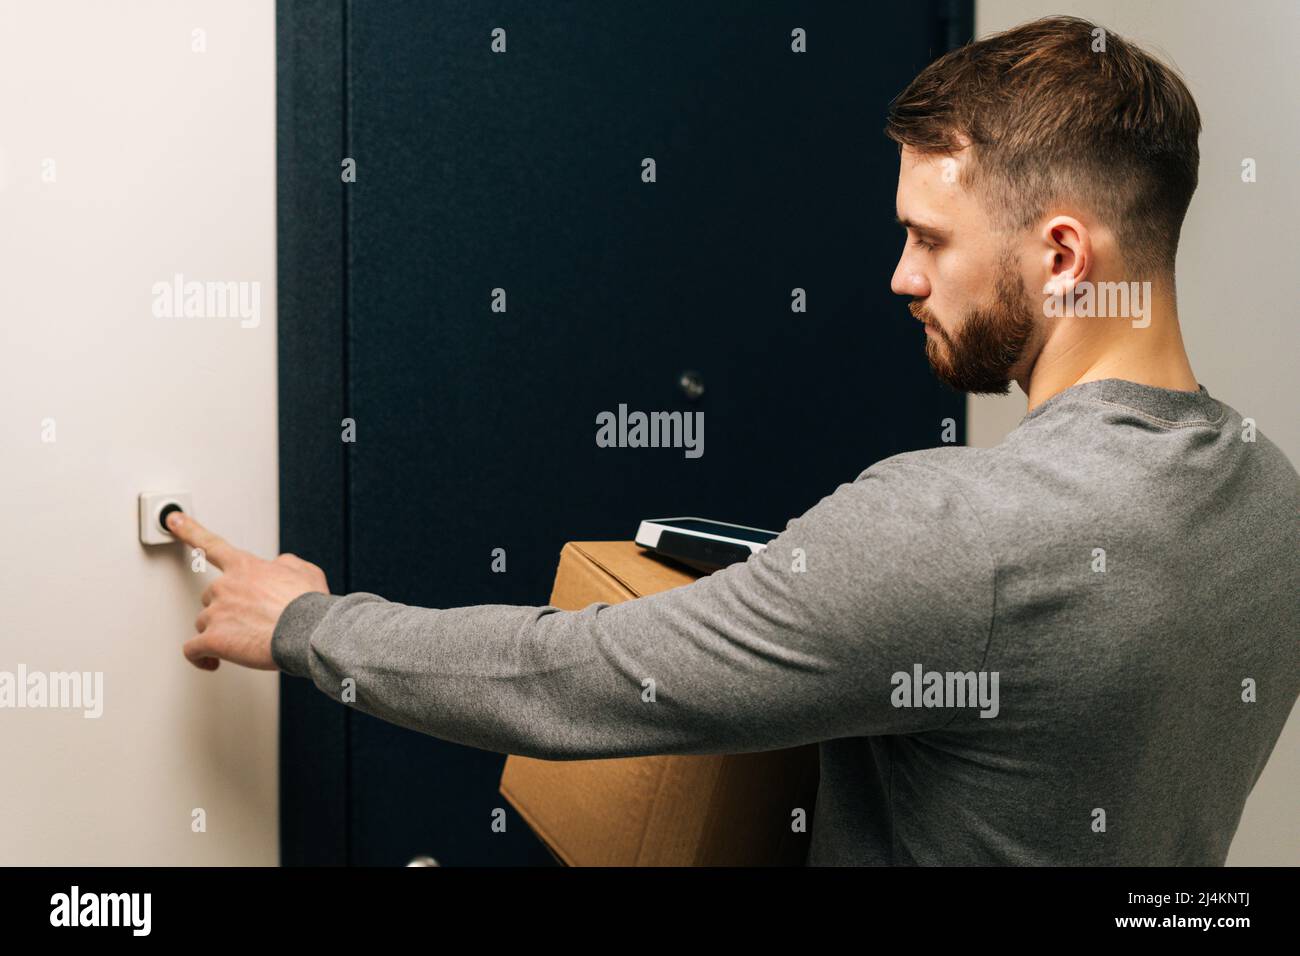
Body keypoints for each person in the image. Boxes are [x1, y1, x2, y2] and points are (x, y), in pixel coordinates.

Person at [166, 16, 1298, 865]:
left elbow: (583, 678)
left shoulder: (964, 530)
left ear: (1061, 257)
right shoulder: (1269, 501)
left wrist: (309, 624)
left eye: (927, 237)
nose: (901, 276)